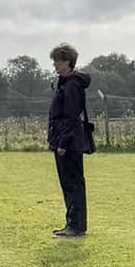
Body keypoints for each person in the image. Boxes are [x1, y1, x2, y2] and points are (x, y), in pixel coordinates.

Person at [47, 43, 92, 239]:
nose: (55, 65)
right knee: (69, 182)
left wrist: (63, 143)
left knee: (72, 182)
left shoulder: (72, 85)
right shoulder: (65, 83)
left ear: (67, 62)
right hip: (66, 140)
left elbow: (71, 116)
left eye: (57, 61)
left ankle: (76, 225)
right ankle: (72, 222)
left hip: (70, 143)